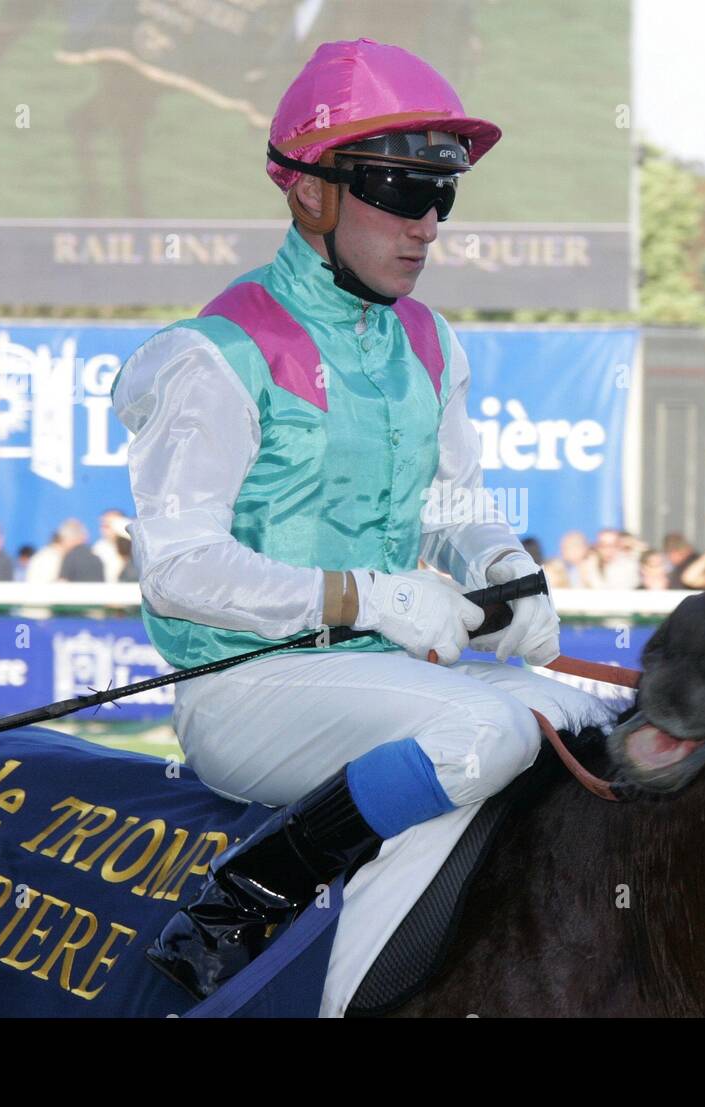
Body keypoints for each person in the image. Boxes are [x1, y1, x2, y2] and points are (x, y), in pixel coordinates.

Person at [111, 38, 614, 1001]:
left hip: (380, 675)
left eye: (443, 196)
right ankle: (244, 898)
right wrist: (364, 596)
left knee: (590, 720)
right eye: (398, 189)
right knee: (488, 733)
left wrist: (504, 567)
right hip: (244, 686)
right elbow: (176, 570)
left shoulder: (430, 340)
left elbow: (451, 503)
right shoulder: (214, 354)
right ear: (310, 193)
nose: (427, 225)